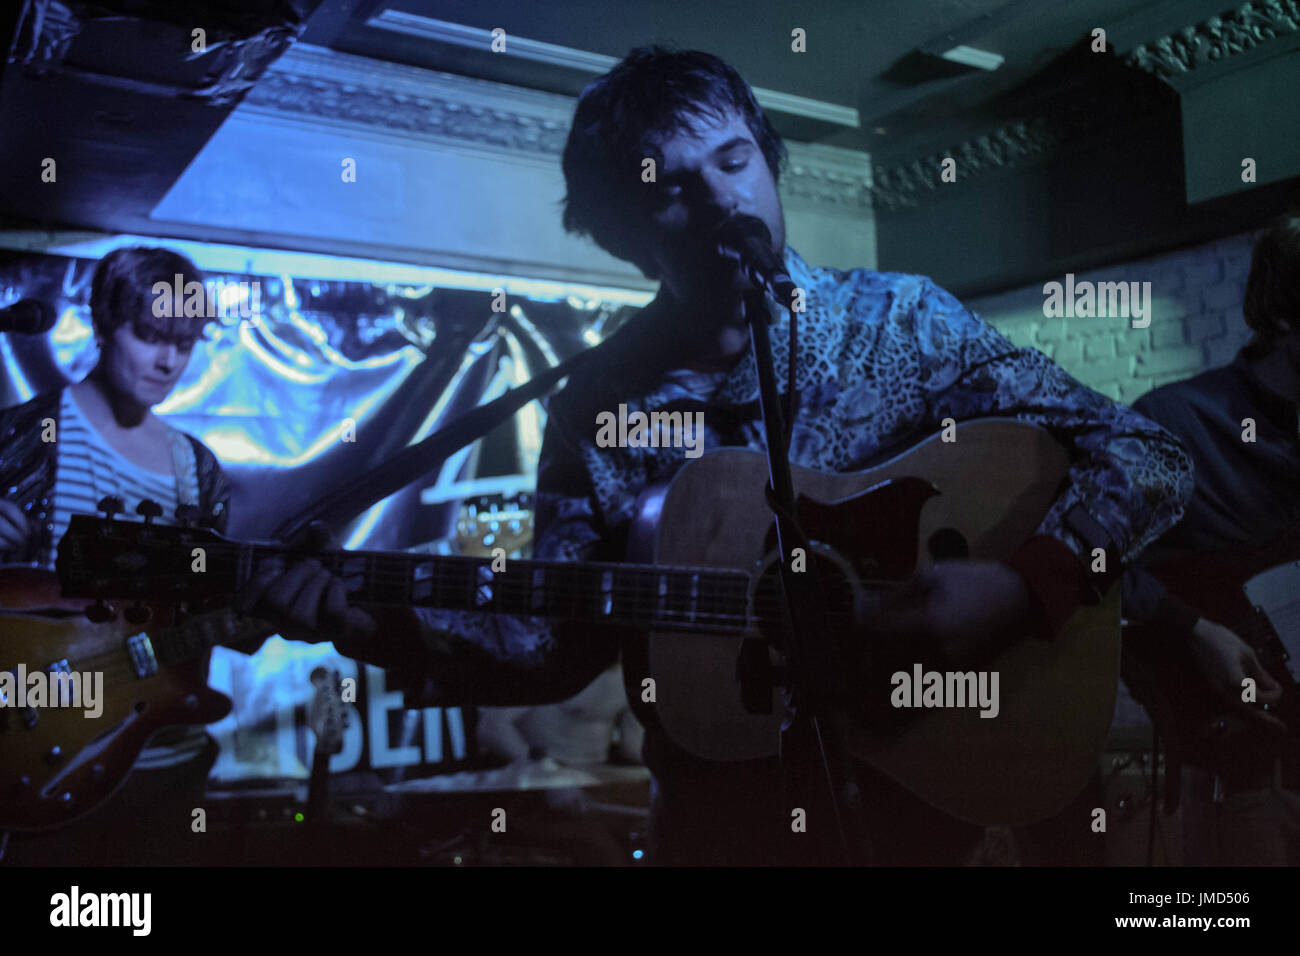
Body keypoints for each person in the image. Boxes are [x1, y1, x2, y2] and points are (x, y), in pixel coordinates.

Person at [240, 47, 1194, 865]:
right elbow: (544, 650)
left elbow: (1153, 458)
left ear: (769, 164)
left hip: (938, 810)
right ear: (624, 235)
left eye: (735, 159)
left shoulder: (901, 325)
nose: (720, 200)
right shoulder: (597, 408)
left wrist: (1028, 585)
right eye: (672, 190)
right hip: (729, 826)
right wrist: (366, 618)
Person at [0, 245, 231, 864]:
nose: (168, 361)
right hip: (46, 759)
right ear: (104, 322)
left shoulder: (198, 471)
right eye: (152, 335)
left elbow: (212, 616)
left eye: (184, 344)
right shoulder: (22, 438)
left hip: (168, 767)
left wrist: (255, 616)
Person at [1122, 214, 1300, 865]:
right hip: (1245, 793)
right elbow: (1081, 566)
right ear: (1282, 318)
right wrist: (1192, 630)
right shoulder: (1172, 426)